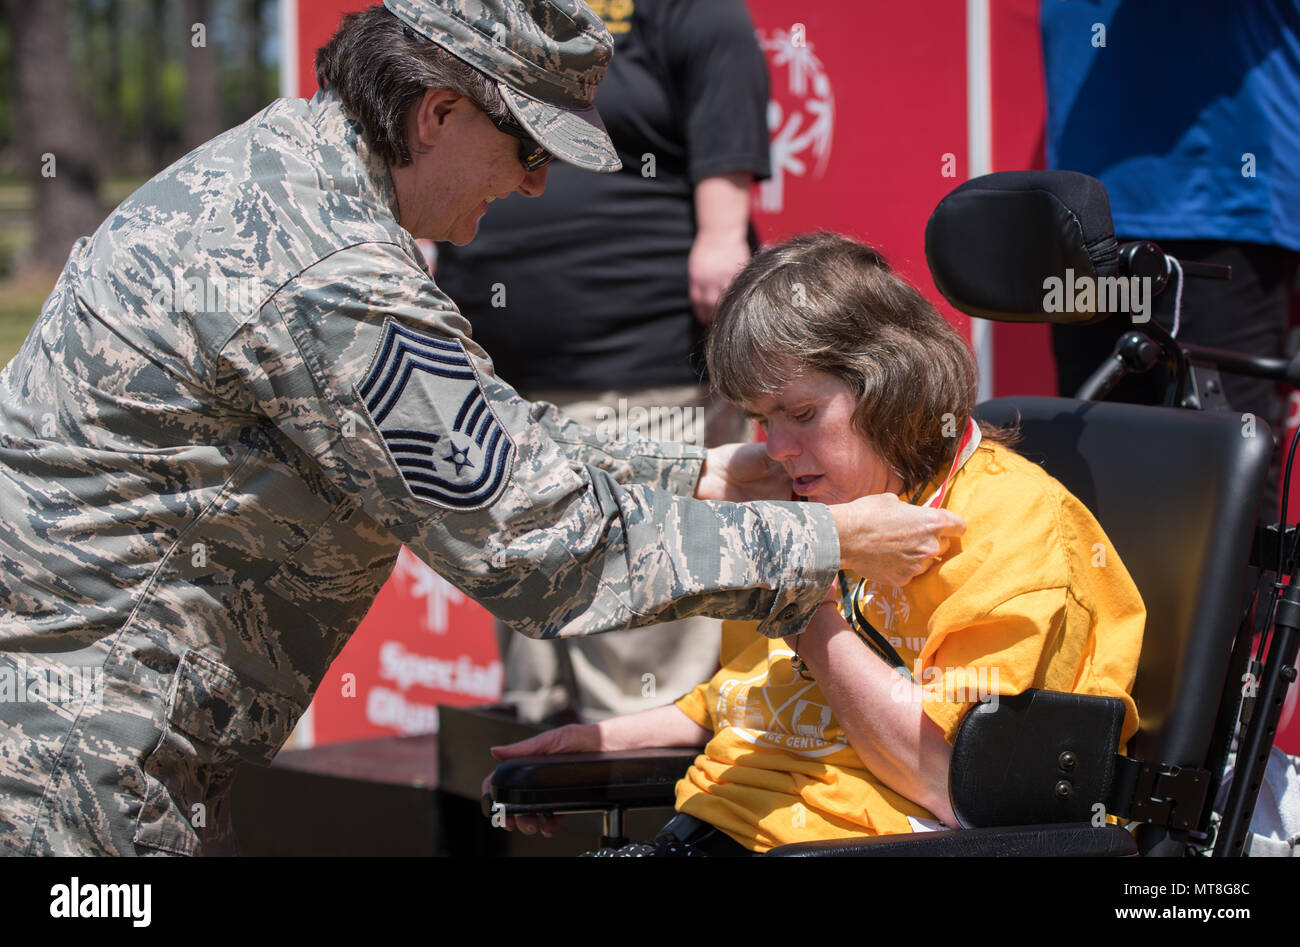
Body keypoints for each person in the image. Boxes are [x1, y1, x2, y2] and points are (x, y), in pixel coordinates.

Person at [0, 1, 963, 857]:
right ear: (438, 114)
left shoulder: (294, 175)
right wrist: (824, 540)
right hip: (74, 769)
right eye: (532, 149)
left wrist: (705, 470)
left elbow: (482, 439)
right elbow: (541, 544)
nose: (539, 186)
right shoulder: (335, 273)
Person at [489, 233, 1145, 855]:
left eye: (801, 414)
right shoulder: (813, 506)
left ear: (890, 384)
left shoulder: (1016, 525)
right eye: (762, 419)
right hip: (711, 827)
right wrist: (599, 741)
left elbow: (955, 785)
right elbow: (747, 699)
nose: (775, 449)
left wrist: (800, 600)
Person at [434, 0, 772, 723]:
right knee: (536, 689)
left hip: (648, 372)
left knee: (643, 680)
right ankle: (547, 811)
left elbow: (725, 102)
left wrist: (722, 233)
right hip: (506, 390)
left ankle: (657, 826)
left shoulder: (682, 10)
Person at [1042, 0, 1300, 516]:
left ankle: (1236, 601)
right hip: (1083, 209)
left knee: (1221, 465)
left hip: (1218, 200)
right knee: (1089, 459)